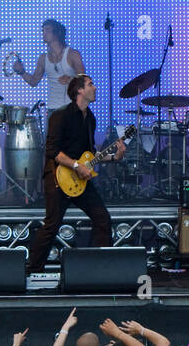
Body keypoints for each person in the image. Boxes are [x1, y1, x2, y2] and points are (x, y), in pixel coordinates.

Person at [26, 75, 125, 274]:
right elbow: (52, 151)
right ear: (79, 90)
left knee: (103, 218)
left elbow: (91, 157)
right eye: (90, 84)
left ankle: (100, 270)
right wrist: (76, 165)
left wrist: (115, 157)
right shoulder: (60, 115)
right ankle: (31, 271)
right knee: (51, 226)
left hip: (80, 180)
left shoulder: (90, 118)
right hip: (58, 178)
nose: (95, 88)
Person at [13, 19, 86, 112]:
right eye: (43, 30)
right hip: (53, 110)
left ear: (57, 33)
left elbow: (84, 81)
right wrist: (21, 72)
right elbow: (33, 81)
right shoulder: (43, 58)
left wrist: (70, 80)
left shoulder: (72, 54)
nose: (44, 33)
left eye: (47, 30)